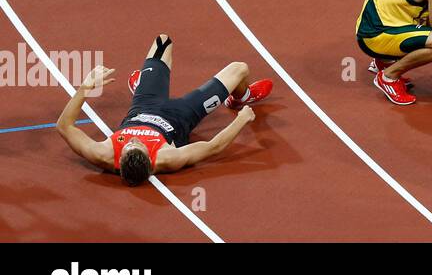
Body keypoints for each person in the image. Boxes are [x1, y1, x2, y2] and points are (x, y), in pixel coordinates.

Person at [54, 34, 271, 186]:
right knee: (240, 69)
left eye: (128, 145)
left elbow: (64, 126)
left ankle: (142, 86)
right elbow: (213, 147)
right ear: (150, 160)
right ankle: (241, 98)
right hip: (182, 113)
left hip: (143, 104)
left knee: (162, 41)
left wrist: (84, 89)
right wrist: (241, 119)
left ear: (119, 161)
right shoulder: (167, 158)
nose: (133, 141)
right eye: (137, 145)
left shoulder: (104, 153)